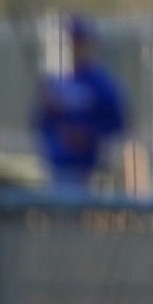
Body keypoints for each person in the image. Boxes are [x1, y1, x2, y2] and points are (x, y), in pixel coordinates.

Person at [36, 16, 129, 192]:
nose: (75, 47)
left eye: (79, 41)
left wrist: (86, 135)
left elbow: (118, 123)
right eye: (72, 41)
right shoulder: (56, 83)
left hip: (93, 171)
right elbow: (42, 123)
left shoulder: (102, 84)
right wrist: (48, 109)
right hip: (58, 168)